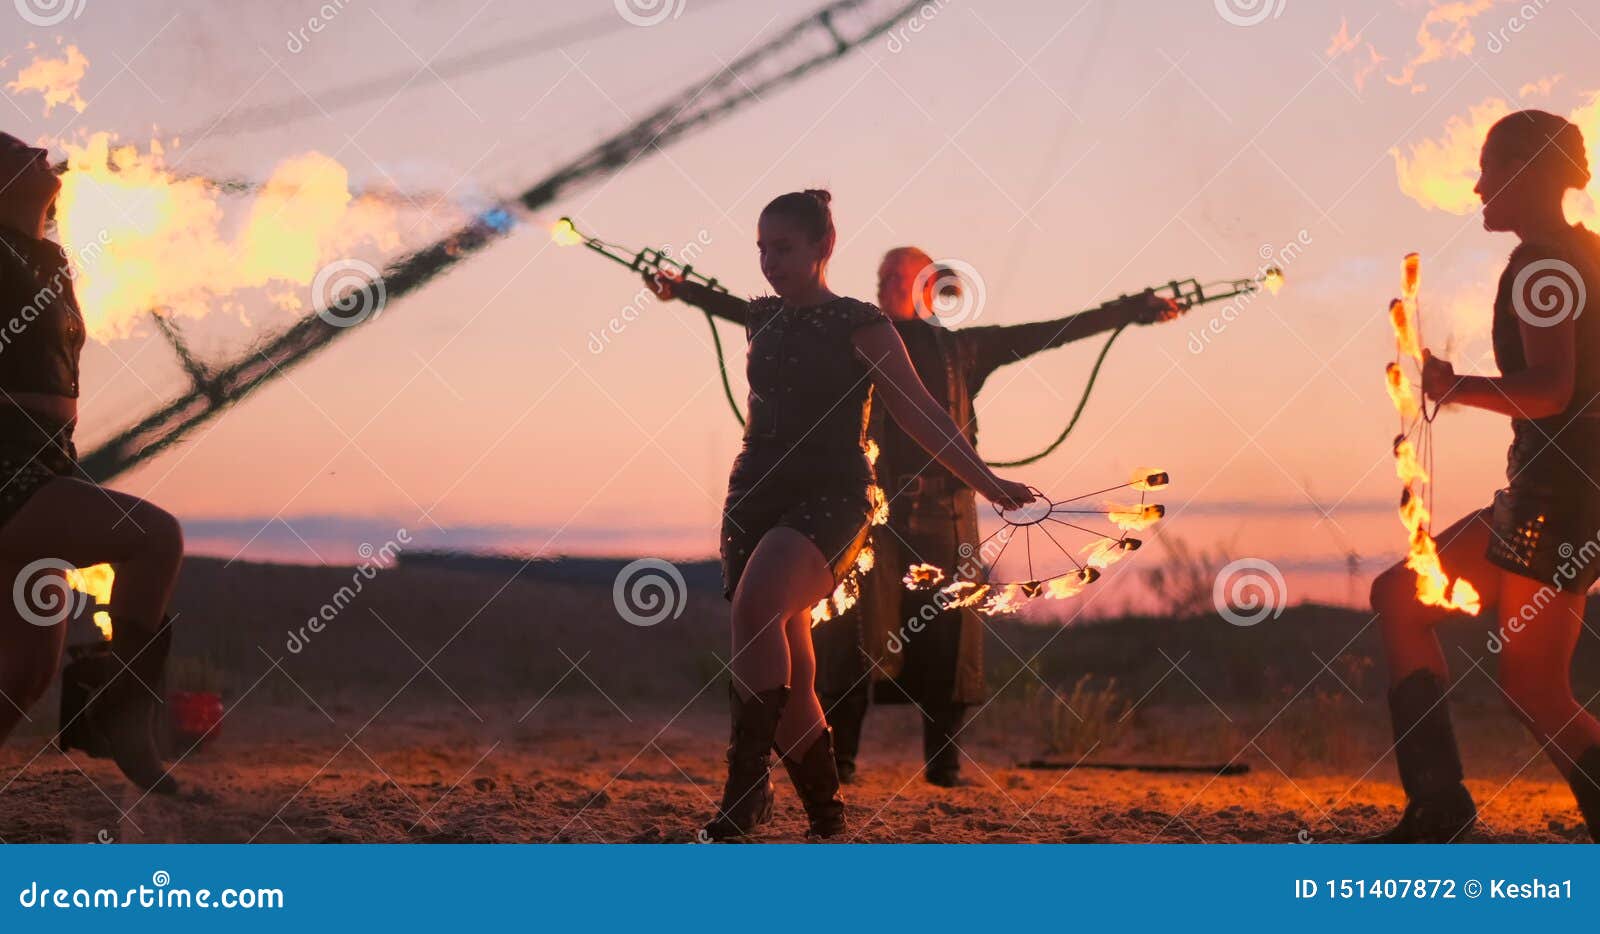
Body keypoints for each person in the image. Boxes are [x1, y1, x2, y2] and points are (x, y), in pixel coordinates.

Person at [647, 189, 1033, 840]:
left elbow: (919, 411)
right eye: (762, 249)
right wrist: (676, 288)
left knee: (755, 609)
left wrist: (987, 482)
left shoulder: (863, 324)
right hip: (753, 493)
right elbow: (717, 299)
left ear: (824, 247)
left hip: (834, 495)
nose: (770, 261)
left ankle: (743, 795)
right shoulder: (761, 317)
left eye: (785, 248)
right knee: (788, 664)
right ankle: (828, 819)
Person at [814, 248, 1177, 786]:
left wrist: (1130, 309)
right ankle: (840, 764)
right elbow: (782, 316)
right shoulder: (856, 342)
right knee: (859, 633)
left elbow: (1052, 331)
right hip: (875, 514)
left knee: (952, 636)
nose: (887, 284)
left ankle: (945, 767)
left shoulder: (964, 350)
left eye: (900, 276)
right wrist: (689, 292)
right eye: (883, 276)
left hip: (949, 513)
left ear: (927, 287)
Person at [1368, 110, 1600, 843]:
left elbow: (1554, 390)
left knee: (1536, 690)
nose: (1477, 186)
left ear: (1528, 173)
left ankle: (1441, 808)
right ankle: (1439, 805)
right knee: (1403, 597)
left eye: (1491, 169)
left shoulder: (1544, 265)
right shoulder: (1582, 253)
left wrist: (1452, 386)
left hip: (1559, 500)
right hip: (1556, 495)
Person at [0, 132, 187, 795]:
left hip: (50, 463)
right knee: (155, 537)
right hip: (7, 469)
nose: (42, 152)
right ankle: (122, 720)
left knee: (24, 672)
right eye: (19, 151)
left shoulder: (48, 259)